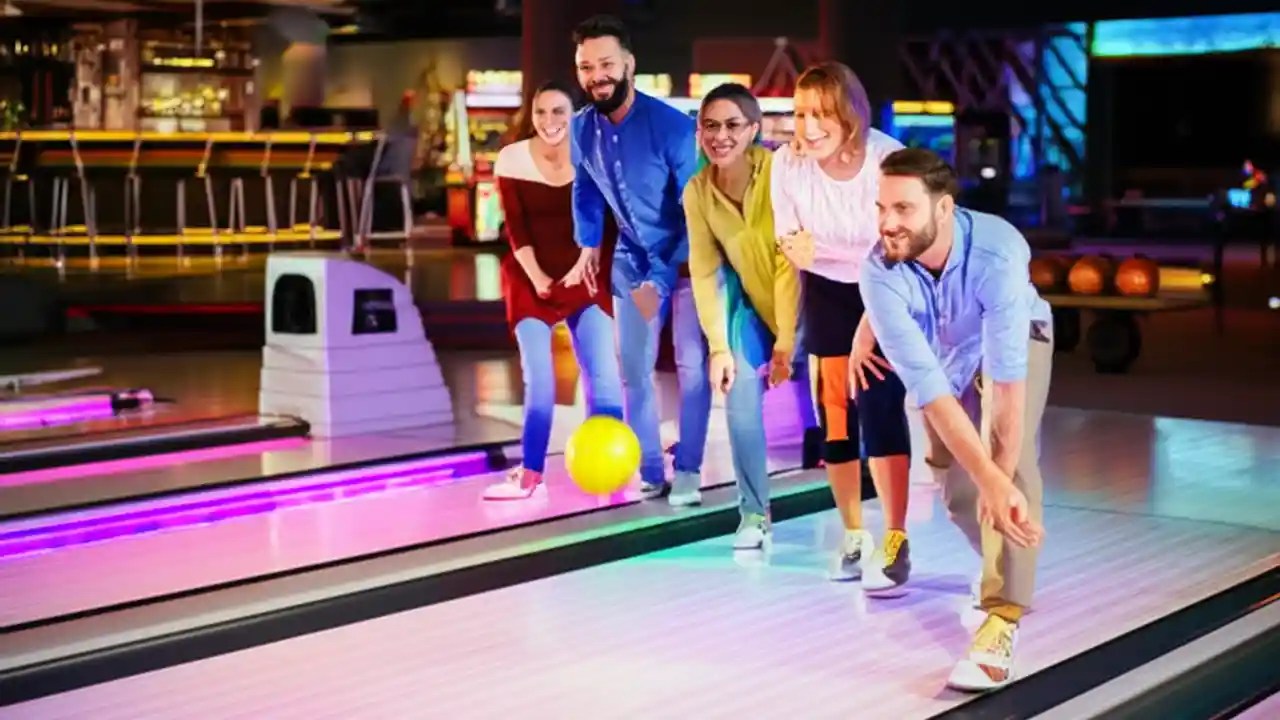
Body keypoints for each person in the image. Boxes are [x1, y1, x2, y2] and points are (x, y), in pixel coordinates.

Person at [861, 147, 1050, 691]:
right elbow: (932, 393)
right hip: (946, 358)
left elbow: (1007, 389)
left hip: (1019, 341)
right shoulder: (879, 270)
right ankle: (1004, 554)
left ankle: (1002, 616)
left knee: (1010, 468)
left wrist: (1001, 477)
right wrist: (987, 484)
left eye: (903, 209)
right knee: (960, 489)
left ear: (943, 209)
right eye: (881, 208)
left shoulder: (997, 253)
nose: (887, 223)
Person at [770, 62, 913, 595]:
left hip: (887, 288)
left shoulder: (886, 159)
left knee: (878, 405)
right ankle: (853, 534)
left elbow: (898, 246)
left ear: (848, 115)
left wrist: (869, 311)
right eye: (801, 113)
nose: (807, 127)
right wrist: (803, 247)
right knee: (835, 418)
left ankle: (895, 538)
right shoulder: (787, 164)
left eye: (821, 114)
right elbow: (791, 239)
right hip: (828, 294)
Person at [563, 14, 711, 505]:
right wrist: (588, 243)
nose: (597, 75)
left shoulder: (673, 128)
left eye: (606, 63)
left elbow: (693, 214)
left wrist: (661, 280)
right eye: (587, 66)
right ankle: (651, 468)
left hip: (687, 261)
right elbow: (585, 187)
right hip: (629, 257)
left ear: (629, 63)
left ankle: (688, 467)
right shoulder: (581, 128)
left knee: (692, 367)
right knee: (635, 368)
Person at [683, 83, 819, 549]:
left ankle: (863, 511)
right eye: (710, 126)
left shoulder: (781, 170)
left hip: (813, 307)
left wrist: (786, 345)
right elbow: (704, 271)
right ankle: (753, 514)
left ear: (754, 130)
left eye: (732, 125)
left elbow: (788, 263)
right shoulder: (698, 192)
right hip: (755, 309)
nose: (720, 136)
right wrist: (719, 346)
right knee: (738, 396)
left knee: (837, 409)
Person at [483, 80, 624, 501]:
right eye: (541, 112)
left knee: (604, 378)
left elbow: (605, 217)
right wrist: (540, 277)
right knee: (540, 380)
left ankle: (610, 471)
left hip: (585, 272)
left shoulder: (595, 154)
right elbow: (516, 227)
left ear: (575, 114)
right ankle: (530, 473)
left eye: (558, 112)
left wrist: (588, 257)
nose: (549, 121)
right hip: (530, 276)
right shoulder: (511, 158)